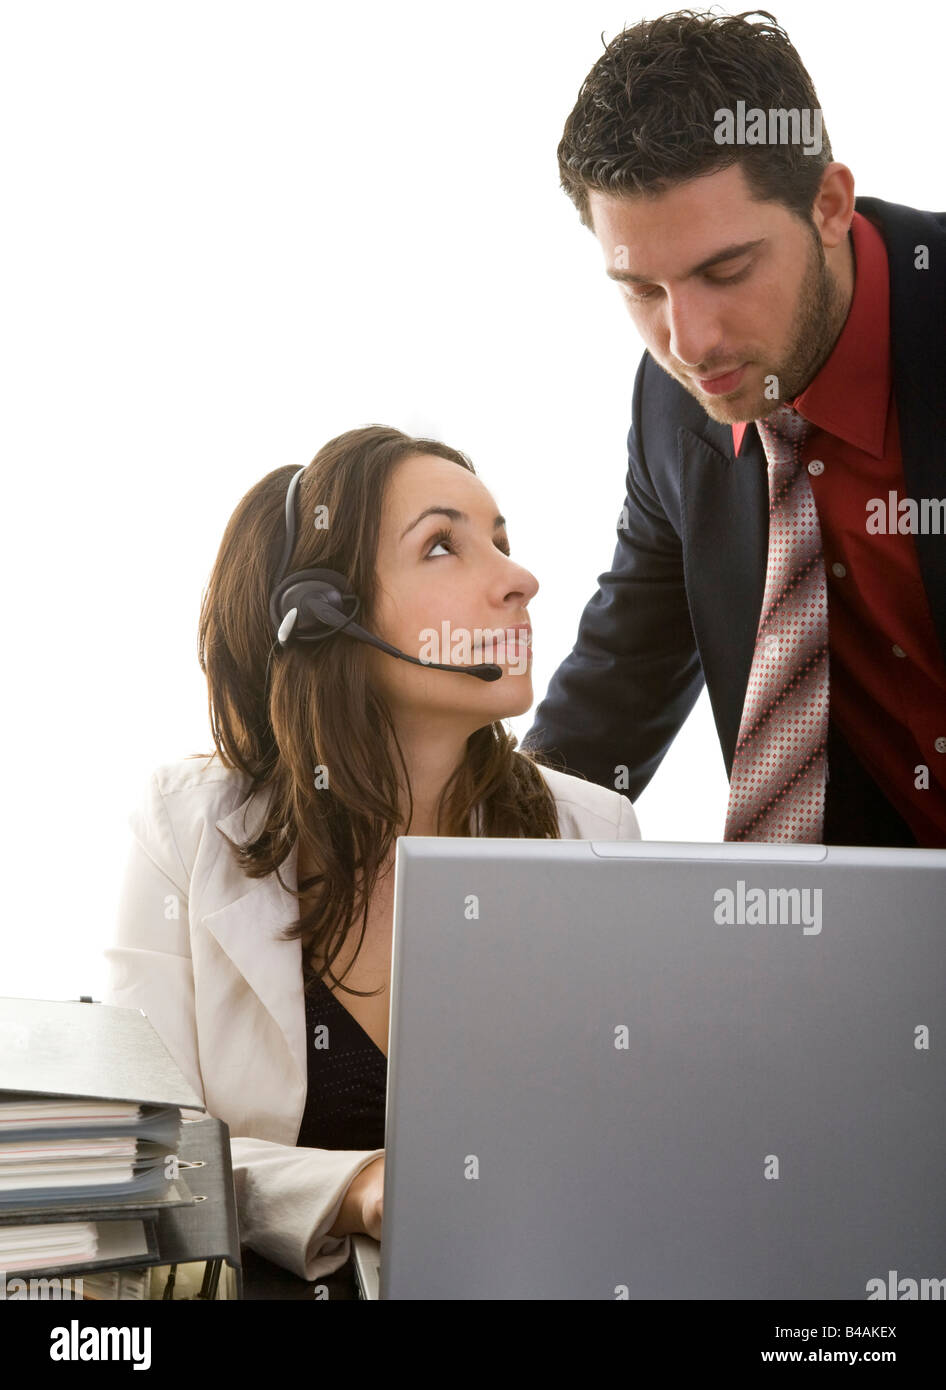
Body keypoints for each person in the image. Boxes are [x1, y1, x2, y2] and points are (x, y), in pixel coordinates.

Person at [104, 424, 641, 1283]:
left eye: (502, 540)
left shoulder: (594, 834)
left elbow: (616, 1156)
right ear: (325, 612)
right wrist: (353, 1186)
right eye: (443, 546)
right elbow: (142, 1153)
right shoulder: (187, 827)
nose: (520, 579)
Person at [523, 10, 946, 848]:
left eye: (725, 270)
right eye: (641, 289)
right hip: (874, 943)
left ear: (828, 204)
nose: (689, 342)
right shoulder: (672, 404)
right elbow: (621, 682)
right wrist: (452, 846)